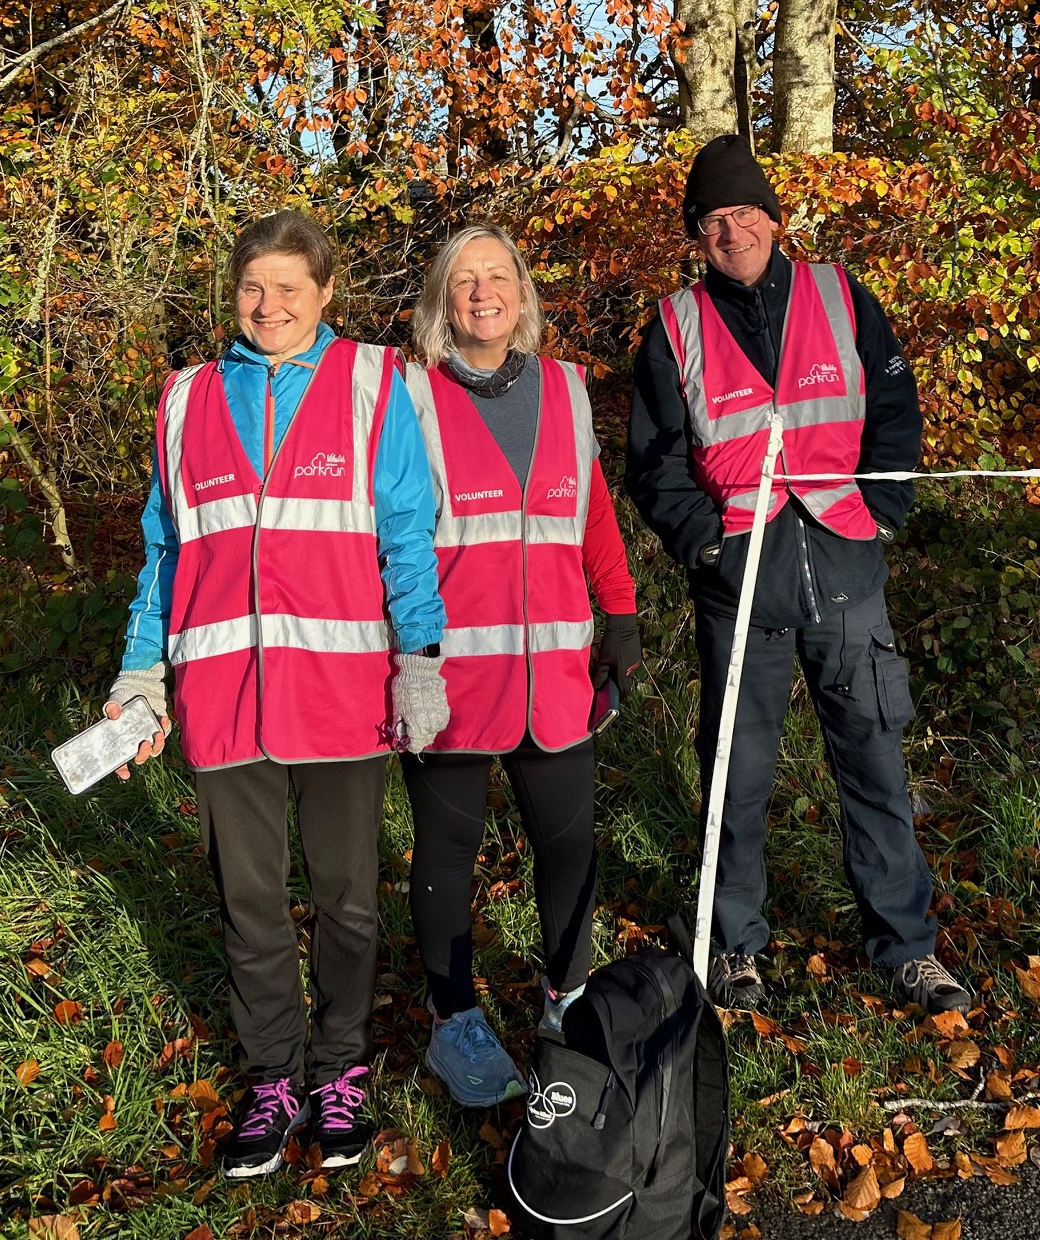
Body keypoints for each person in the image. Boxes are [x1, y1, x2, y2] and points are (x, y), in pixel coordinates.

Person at [106, 211, 448, 1176]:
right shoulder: (184, 400)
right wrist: (141, 676)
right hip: (222, 700)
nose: (271, 305)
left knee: (344, 901)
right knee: (249, 902)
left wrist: (419, 658)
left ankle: (338, 1070)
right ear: (234, 291)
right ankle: (270, 1076)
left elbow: (407, 538)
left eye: (290, 287)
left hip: (342, 697)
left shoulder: (376, 383)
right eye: (254, 286)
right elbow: (164, 556)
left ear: (326, 293)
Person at [625, 135, 971, 1016]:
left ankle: (906, 946)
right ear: (696, 239)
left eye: (742, 212)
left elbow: (895, 410)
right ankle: (733, 946)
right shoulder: (673, 329)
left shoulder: (838, 293)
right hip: (739, 580)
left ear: (773, 218)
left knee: (874, 761)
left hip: (846, 568)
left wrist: (883, 511)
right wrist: (709, 547)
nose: (729, 230)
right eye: (710, 221)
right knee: (734, 775)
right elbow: (654, 464)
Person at [402, 224, 641, 1108]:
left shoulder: (567, 389)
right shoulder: (410, 397)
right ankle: (453, 1019)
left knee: (567, 847)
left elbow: (592, 517)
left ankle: (567, 1004)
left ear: (521, 292)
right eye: (462, 279)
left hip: (555, 679)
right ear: (440, 300)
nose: (481, 292)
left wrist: (618, 610)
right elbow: (393, 540)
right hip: (453, 680)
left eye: (496, 274)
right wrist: (402, 659)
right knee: (446, 854)